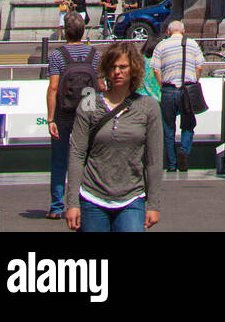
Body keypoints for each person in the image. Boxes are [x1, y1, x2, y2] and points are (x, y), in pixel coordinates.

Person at [66, 41, 162, 233]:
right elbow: (76, 155)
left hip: (132, 197)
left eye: (123, 67)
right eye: (113, 67)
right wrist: (72, 202)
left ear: (133, 69)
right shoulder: (89, 104)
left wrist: (153, 204)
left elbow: (154, 160)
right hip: (92, 195)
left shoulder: (148, 107)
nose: (117, 72)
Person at [46, 11, 100, 220]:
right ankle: (85, 202)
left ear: (65, 32)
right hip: (87, 113)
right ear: (82, 31)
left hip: (63, 113)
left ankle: (57, 206)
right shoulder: (94, 55)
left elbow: (53, 88)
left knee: (59, 159)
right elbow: (101, 85)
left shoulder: (57, 55)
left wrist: (51, 119)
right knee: (86, 158)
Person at [151, 20, 206, 173]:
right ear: (183, 32)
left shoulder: (161, 45)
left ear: (168, 32)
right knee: (188, 125)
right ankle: (184, 150)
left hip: (168, 90)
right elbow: (199, 65)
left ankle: (171, 164)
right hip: (187, 89)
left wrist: (162, 85)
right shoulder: (193, 44)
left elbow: (155, 69)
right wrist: (194, 81)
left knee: (168, 129)